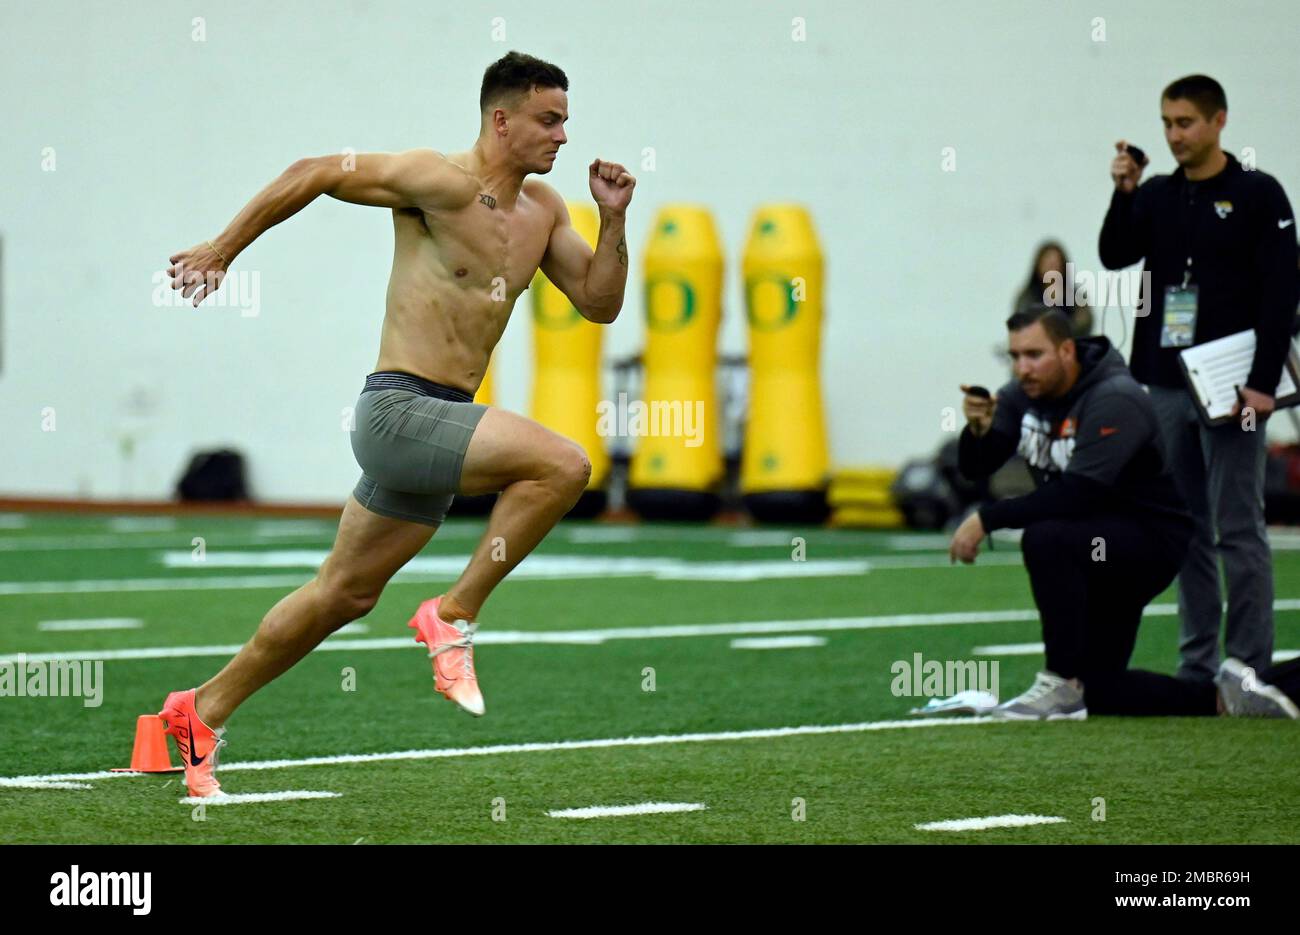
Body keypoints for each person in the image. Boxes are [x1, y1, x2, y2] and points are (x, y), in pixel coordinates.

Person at [158, 51, 636, 796]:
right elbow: (315, 169)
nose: (564, 137)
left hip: (436, 432)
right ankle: (453, 614)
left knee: (341, 595)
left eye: (567, 120)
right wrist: (223, 250)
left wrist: (613, 220)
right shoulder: (435, 182)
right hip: (398, 411)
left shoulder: (545, 211)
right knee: (564, 465)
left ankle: (198, 712)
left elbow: (600, 302)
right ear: (500, 119)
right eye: (549, 119)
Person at [1099, 74, 1298, 685]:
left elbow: (1282, 291)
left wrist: (1263, 384)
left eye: (1184, 122)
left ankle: (1247, 663)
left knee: (1237, 524)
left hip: (1233, 385)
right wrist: (1124, 192)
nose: (1174, 134)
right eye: (1166, 122)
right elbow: (1113, 254)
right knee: (1183, 525)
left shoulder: (1259, 194)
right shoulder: (1158, 194)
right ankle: (1196, 663)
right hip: (1163, 380)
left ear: (1218, 122)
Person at [950, 308, 1210, 719]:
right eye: (1015, 356)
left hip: (1147, 542)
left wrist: (987, 518)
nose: (1022, 367)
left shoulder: (1115, 397)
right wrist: (977, 431)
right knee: (1103, 688)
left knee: (1045, 537)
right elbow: (977, 466)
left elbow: (1079, 494)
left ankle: (1060, 683)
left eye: (1034, 354)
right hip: (1092, 540)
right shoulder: (1023, 393)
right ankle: (1218, 701)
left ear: (1067, 350)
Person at [1012, 241, 1093, 338]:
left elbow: (1084, 323)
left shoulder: (1076, 296)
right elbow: (1021, 326)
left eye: (1055, 264)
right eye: (1047, 264)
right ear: (1038, 266)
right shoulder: (1027, 298)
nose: (1051, 268)